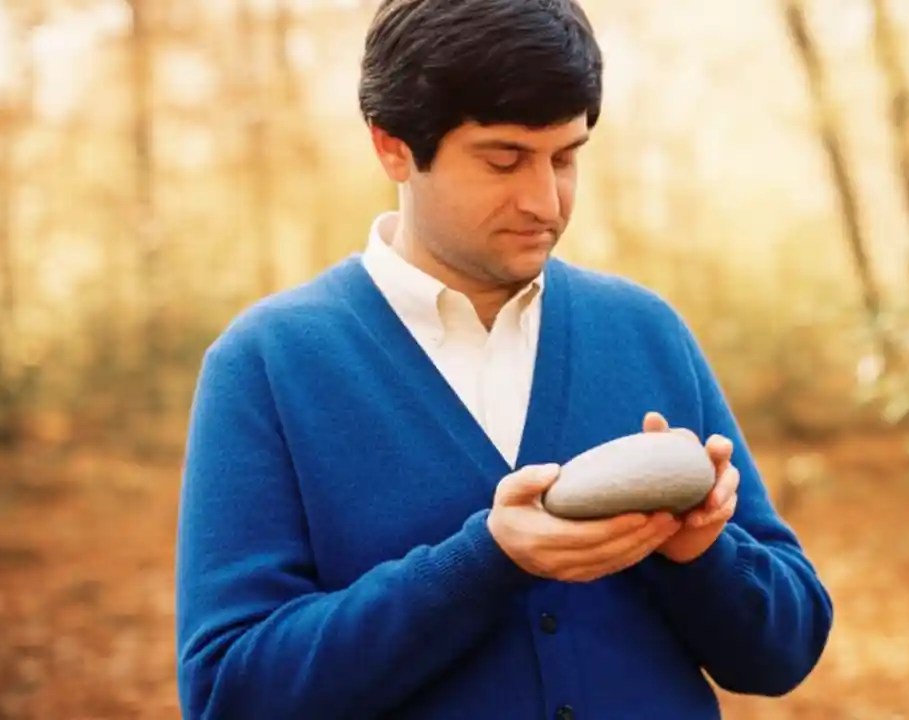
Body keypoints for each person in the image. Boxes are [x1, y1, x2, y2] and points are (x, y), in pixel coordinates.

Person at [173, 0, 833, 718]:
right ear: (393, 146)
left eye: (566, 157)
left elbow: (786, 650)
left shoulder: (645, 330)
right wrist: (484, 562)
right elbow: (228, 693)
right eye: (504, 160)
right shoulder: (266, 364)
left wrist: (700, 553)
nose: (545, 201)